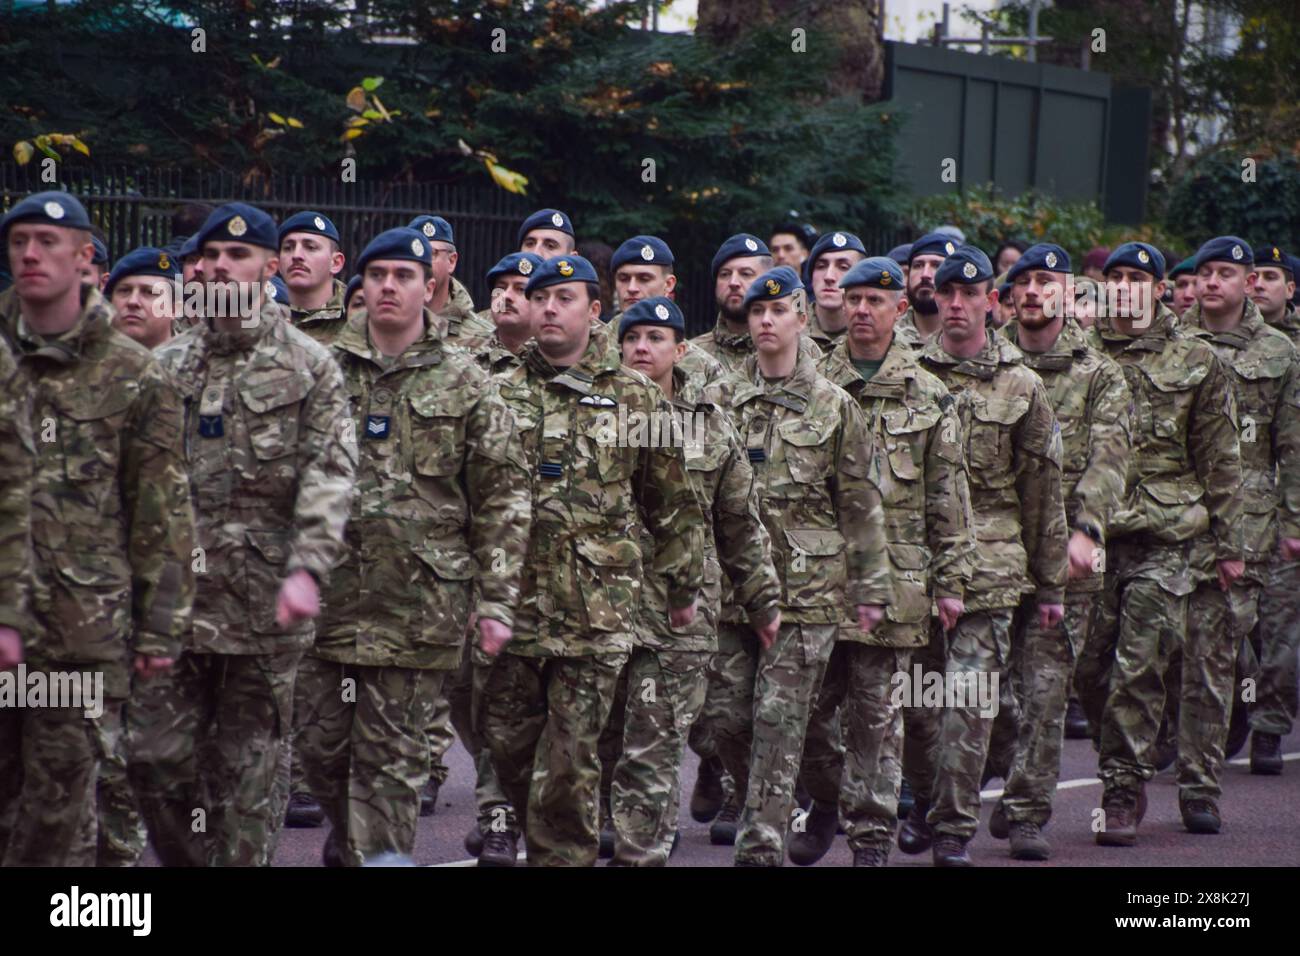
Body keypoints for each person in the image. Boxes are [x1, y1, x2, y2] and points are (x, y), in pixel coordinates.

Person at [129, 201, 357, 867]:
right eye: (213, 257)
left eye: (239, 255)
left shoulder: (310, 365)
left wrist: (308, 567)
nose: (223, 266)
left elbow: (331, 471)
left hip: (263, 609)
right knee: (151, 760)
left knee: (248, 778)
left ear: (268, 266)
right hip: (174, 609)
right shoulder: (165, 367)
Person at [294, 227, 531, 866]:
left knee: (389, 766)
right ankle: (354, 845)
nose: (390, 287)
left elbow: (503, 500)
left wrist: (497, 602)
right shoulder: (316, 374)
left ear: (429, 288)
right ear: (360, 288)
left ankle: (376, 854)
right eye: (378, 277)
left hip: (421, 609)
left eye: (404, 276)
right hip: (327, 603)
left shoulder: (466, 382)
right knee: (319, 750)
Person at [482, 254, 705, 866]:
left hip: (595, 615)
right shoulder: (496, 391)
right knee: (505, 746)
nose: (549, 307)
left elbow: (673, 503)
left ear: (594, 310)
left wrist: (683, 590)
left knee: (570, 760)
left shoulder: (633, 397)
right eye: (539, 297)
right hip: (511, 607)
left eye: (565, 297)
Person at [0, 191, 195, 867]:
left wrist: (161, 627)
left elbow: (161, 511)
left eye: (48, 242)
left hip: (80, 636)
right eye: (20, 239)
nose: (30, 254)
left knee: (56, 815)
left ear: (86, 260)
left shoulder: (133, 374)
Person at [705, 265, 893, 866]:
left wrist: (870, 586)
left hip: (807, 593)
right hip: (734, 591)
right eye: (757, 311)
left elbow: (861, 505)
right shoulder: (722, 396)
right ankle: (824, 795)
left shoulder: (835, 406)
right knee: (724, 718)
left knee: (779, 718)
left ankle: (760, 846)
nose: (764, 319)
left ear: (801, 319)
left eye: (777, 310)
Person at [794, 256, 973, 867]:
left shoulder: (930, 393)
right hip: (815, 578)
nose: (862, 310)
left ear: (900, 309)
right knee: (806, 713)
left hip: (896, 582)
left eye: (876, 299)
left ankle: (870, 837)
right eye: (854, 299)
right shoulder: (808, 382)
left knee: (878, 717)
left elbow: (947, 497)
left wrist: (952, 582)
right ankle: (823, 800)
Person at [901, 243, 1067, 867]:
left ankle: (952, 828)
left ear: (990, 303)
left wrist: (1050, 587)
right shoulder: (908, 376)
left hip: (994, 568)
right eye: (947, 294)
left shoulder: (1022, 384)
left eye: (970, 294)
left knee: (968, 701)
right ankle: (923, 798)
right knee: (918, 705)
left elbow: (1042, 492)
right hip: (914, 565)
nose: (957, 305)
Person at [608, 295, 781, 866]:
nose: (641, 346)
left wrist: (761, 601)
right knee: (594, 746)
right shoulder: (592, 413)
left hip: (681, 616)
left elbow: (739, 522)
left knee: (652, 749)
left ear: (681, 351)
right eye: (632, 336)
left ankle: (644, 854)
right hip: (595, 609)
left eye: (656, 338)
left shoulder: (708, 427)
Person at [1088, 240, 1242, 846]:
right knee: (1088, 667)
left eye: (1138, 277)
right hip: (1092, 533)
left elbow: (1222, 458)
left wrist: (1230, 545)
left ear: (1158, 289)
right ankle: (1144, 751)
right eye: (1116, 276)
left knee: (1140, 665)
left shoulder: (1196, 359)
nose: (1125, 285)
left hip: (1168, 536)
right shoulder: (1083, 356)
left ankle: (1122, 790)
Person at [991, 243, 1131, 860]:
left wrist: (1088, 530)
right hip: (992, 550)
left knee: (1046, 688)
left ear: (1069, 293)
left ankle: (1026, 811)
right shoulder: (989, 365)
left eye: (1045, 280)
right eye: (1021, 281)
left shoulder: (1099, 372)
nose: (1031, 290)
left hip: (1063, 554)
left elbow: (1109, 459)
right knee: (986, 689)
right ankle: (994, 773)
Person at [1172, 237, 1300, 824]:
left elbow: (1292, 445)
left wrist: (1293, 520)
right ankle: (1179, 739)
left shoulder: (1279, 352)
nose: (1214, 282)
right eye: (1207, 273)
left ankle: (1202, 785)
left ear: (1249, 282)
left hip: (1247, 522)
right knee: (1165, 649)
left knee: (1221, 650)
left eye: (1228, 272)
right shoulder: (1172, 343)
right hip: (1173, 516)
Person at [1248, 243, 1300, 774]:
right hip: (1231, 507)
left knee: (1280, 626)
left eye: (1271, 276)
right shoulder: (1217, 341)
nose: (1259, 284)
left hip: (1285, 507)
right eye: (1253, 275)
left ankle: (1269, 726)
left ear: (1291, 288)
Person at [278, 211, 347, 345]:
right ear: (278, 262)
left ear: (336, 262)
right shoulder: (259, 311)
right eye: (288, 248)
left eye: (310, 247)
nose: (296, 255)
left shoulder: (357, 313)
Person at [802, 231, 868, 352]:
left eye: (843, 267)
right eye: (821, 266)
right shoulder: (790, 331)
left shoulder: (875, 334)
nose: (829, 276)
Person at [106, 247, 183, 350]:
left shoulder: (196, 362)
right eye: (124, 291)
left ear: (174, 309)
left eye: (149, 292)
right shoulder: (87, 360)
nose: (132, 301)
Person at [895, 232, 960, 348]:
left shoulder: (969, 340)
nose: (925, 274)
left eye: (937, 266)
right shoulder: (887, 335)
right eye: (918, 265)